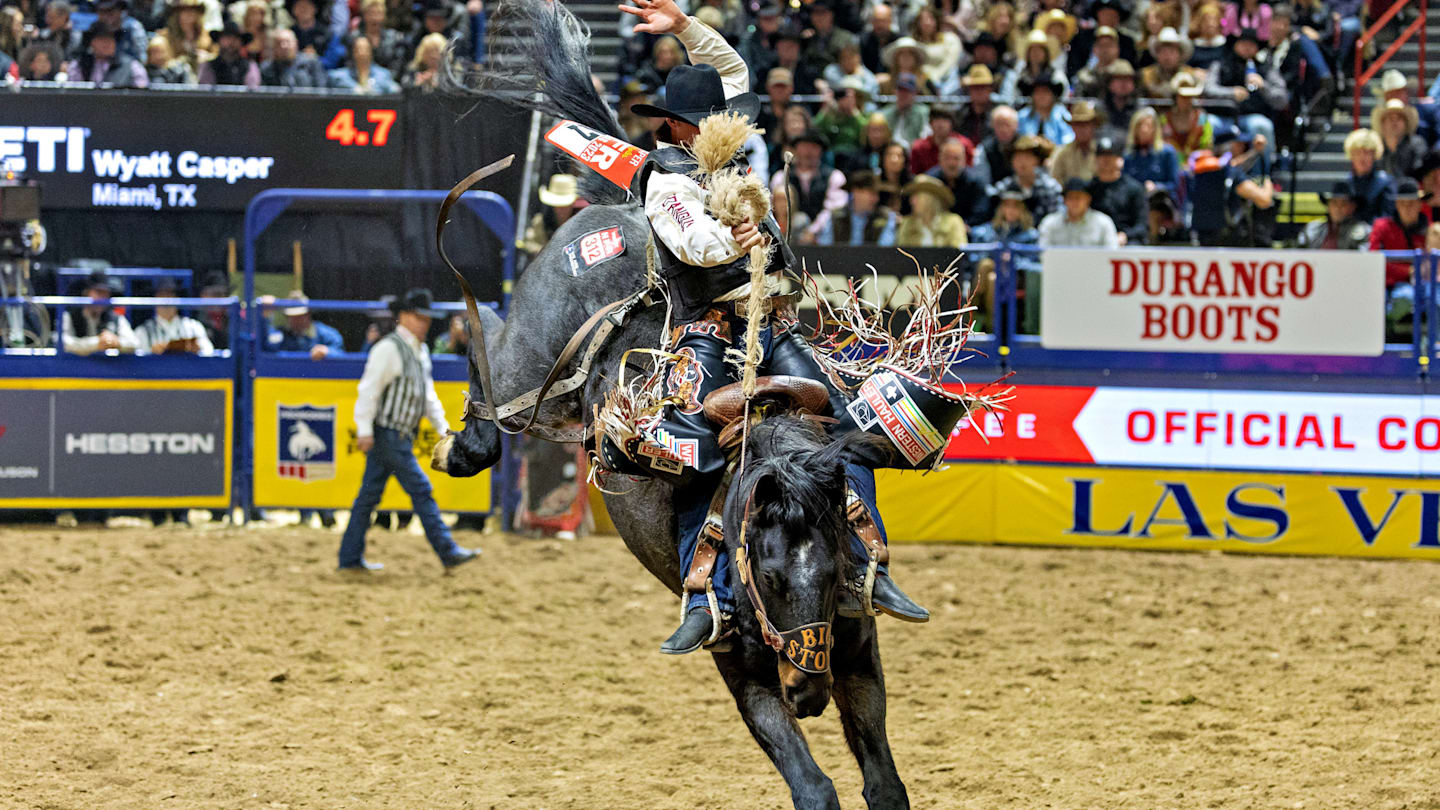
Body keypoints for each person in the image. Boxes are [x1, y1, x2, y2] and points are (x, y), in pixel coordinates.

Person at [611, 0, 933, 654]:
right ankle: (705, 596)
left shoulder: (718, 149)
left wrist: (684, 28)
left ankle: (866, 566)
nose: (719, 127)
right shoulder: (665, 179)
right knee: (694, 452)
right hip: (707, 331)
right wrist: (737, 236)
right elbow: (694, 244)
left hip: (774, 322)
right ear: (677, 126)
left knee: (841, 425)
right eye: (706, 121)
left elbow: (731, 68)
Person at [339, 288, 480, 573]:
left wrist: (443, 428)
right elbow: (368, 391)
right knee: (421, 490)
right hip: (389, 435)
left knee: (368, 497)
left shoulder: (419, 350)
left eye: (426, 319)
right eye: (419, 317)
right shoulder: (388, 349)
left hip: (393, 435)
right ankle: (447, 551)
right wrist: (364, 429)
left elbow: (427, 395)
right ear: (403, 316)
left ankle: (349, 557)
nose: (425, 324)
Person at [1204, 27, 1286, 160]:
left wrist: (1263, 86)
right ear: (1235, 45)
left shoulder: (1265, 68)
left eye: (1251, 44)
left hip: (1251, 116)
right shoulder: (1221, 65)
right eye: (1243, 43)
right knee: (1208, 124)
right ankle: (1207, 167)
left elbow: (1282, 99)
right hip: (1222, 116)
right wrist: (1231, 93)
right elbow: (1208, 89)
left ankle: (1264, 169)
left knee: (1262, 126)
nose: (1247, 47)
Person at [1368, 179, 1433, 337]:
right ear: (1396, 205)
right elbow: (1373, 260)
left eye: (1412, 203)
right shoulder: (1382, 227)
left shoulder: (1431, 230)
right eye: (1403, 203)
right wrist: (1408, 271)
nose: (1407, 207)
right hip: (1388, 286)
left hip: (1425, 285)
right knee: (1403, 297)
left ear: (1420, 204)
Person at [770, 129, 846, 245]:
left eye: (814, 147)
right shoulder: (781, 176)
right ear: (795, 149)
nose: (808, 152)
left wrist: (812, 231)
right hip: (789, 237)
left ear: (821, 151)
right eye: (804, 146)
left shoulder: (834, 176)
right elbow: (775, 208)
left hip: (824, 238)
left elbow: (832, 209)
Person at [62, 270, 139, 355]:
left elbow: (134, 343)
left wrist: (117, 342)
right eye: (98, 292)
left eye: (106, 294)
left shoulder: (115, 317)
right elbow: (63, 343)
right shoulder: (71, 316)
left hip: (107, 363)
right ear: (86, 293)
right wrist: (96, 343)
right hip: (77, 363)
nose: (102, 298)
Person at [1088, 135, 1148, 245]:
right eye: (1102, 155)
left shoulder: (1134, 189)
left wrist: (1126, 235)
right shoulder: (1088, 189)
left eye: (1111, 155)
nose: (1106, 160)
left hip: (1126, 243)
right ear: (1095, 159)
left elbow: (1142, 226)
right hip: (1094, 241)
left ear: (1120, 159)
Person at [992, 134, 1063, 221]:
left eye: (1027, 157)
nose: (1022, 162)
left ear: (1037, 160)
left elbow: (1056, 218)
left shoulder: (1050, 187)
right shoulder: (1003, 188)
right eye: (1018, 157)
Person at [136, 279, 214, 355]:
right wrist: (152, 352)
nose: (166, 300)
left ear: (177, 298)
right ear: (154, 299)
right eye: (161, 295)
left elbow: (209, 352)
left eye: (170, 294)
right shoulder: (143, 331)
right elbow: (137, 358)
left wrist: (198, 349)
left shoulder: (194, 327)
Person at [1038, 178, 1120, 247]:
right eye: (1070, 197)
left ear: (1088, 199)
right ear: (1064, 200)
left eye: (1078, 197)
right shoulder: (1049, 223)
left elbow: (1112, 253)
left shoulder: (1104, 223)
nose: (1074, 201)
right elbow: (1042, 253)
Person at [824, 170, 898, 246]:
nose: (876, 199)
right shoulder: (836, 216)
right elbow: (825, 247)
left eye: (876, 194)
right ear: (856, 192)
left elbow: (884, 249)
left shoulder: (885, 218)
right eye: (871, 193)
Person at [1162, 72, 1218, 165]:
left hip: (1197, 165)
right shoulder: (1164, 119)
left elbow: (1208, 147)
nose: (1187, 100)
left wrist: (1196, 156)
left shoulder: (1202, 118)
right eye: (1183, 97)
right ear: (1176, 97)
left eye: (1190, 97)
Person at [67, 21, 148, 85]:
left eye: (111, 39)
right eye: (102, 39)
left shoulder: (132, 67)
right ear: (91, 42)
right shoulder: (78, 65)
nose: (107, 44)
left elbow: (142, 93)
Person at [1124, 106, 1180, 199]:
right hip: (1136, 201)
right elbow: (1123, 184)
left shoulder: (1167, 153)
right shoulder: (1128, 155)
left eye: (1148, 126)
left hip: (1160, 200)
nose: (1144, 129)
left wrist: (1157, 187)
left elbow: (1174, 184)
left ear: (1155, 129)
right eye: (1140, 125)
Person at [896, 174, 967, 247]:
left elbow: (959, 250)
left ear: (929, 200)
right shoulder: (907, 223)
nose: (911, 201)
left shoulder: (953, 222)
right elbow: (901, 251)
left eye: (916, 197)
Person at [264, 291, 344, 355]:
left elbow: (340, 353)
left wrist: (327, 351)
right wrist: (265, 316)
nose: (296, 319)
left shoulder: (327, 334)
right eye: (292, 316)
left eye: (300, 315)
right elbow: (266, 347)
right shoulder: (280, 335)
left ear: (308, 314)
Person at [1297, 180, 1370, 250]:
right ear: (1328, 205)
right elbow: (1298, 252)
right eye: (1334, 202)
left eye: (1343, 204)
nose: (1338, 208)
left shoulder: (1363, 232)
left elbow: (1363, 256)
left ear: (1353, 207)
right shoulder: (1312, 228)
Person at [523, 173, 585, 255]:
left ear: (573, 203)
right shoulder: (541, 221)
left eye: (565, 205)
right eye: (557, 204)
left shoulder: (582, 223)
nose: (560, 209)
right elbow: (530, 242)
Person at [1344, 129, 1392, 225]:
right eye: (1358, 152)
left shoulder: (1385, 183)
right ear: (1351, 155)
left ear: (1375, 155)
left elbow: (1387, 218)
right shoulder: (1346, 183)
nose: (1362, 158)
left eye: (1367, 152)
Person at [909, 106, 971, 175]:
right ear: (930, 123)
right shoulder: (919, 147)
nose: (940, 124)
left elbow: (969, 173)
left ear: (952, 123)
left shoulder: (964, 145)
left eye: (945, 120)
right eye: (937, 119)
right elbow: (915, 175)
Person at [349, 0, 407, 74]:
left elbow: (397, 66)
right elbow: (350, 64)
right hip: (359, 78)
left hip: (388, 79)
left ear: (384, 16)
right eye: (371, 13)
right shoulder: (354, 37)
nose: (374, 18)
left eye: (378, 13)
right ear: (364, 15)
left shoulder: (394, 38)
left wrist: (384, 78)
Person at [1048, 101, 1098, 186]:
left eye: (1086, 124)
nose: (1082, 129)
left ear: (1093, 126)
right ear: (1072, 127)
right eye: (1077, 125)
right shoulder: (1062, 153)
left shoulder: (1102, 152)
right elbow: (1056, 181)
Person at [1377, 99, 1427, 184]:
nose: (1394, 122)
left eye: (1399, 118)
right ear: (1383, 124)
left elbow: (1420, 172)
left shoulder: (1417, 144)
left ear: (1406, 123)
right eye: (1390, 118)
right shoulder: (1376, 145)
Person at [1016, 70, 1072, 146]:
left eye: (1045, 92)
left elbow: (1068, 140)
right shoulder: (1022, 116)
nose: (1042, 96)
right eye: (1038, 92)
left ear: (1053, 95)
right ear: (1032, 95)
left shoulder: (1062, 115)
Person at [327, 33, 397, 92]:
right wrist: (354, 88)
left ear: (371, 52)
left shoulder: (383, 75)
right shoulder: (340, 76)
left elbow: (396, 91)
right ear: (353, 52)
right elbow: (332, 77)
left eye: (366, 49)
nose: (362, 53)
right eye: (358, 49)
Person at [198, 20, 260, 86]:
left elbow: (252, 88)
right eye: (227, 38)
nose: (231, 42)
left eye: (235, 38)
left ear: (241, 42)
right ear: (219, 40)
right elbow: (205, 89)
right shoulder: (208, 66)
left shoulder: (250, 67)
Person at [1140, 26, 1195, 98]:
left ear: (1180, 55)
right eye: (1163, 52)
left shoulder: (1190, 74)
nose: (1167, 57)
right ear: (1157, 54)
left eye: (1172, 52)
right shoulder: (1146, 74)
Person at [260, 27, 327, 86]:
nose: (284, 46)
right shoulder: (266, 69)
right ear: (274, 47)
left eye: (287, 42)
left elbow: (321, 90)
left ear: (296, 44)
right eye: (279, 43)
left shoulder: (312, 63)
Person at [973, 104, 1019, 188]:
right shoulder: (984, 148)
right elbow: (982, 181)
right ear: (992, 126)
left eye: (1007, 124)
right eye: (999, 124)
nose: (1003, 129)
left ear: (1016, 125)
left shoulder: (1025, 147)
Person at [879, 72, 929, 145]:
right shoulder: (886, 113)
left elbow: (925, 139)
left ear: (915, 93)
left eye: (907, 91)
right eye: (900, 90)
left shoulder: (923, 113)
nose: (902, 94)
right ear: (894, 91)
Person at [956, 63, 997, 144]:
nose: (979, 92)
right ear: (969, 90)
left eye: (983, 87)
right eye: (975, 87)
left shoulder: (997, 115)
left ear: (990, 89)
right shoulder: (961, 115)